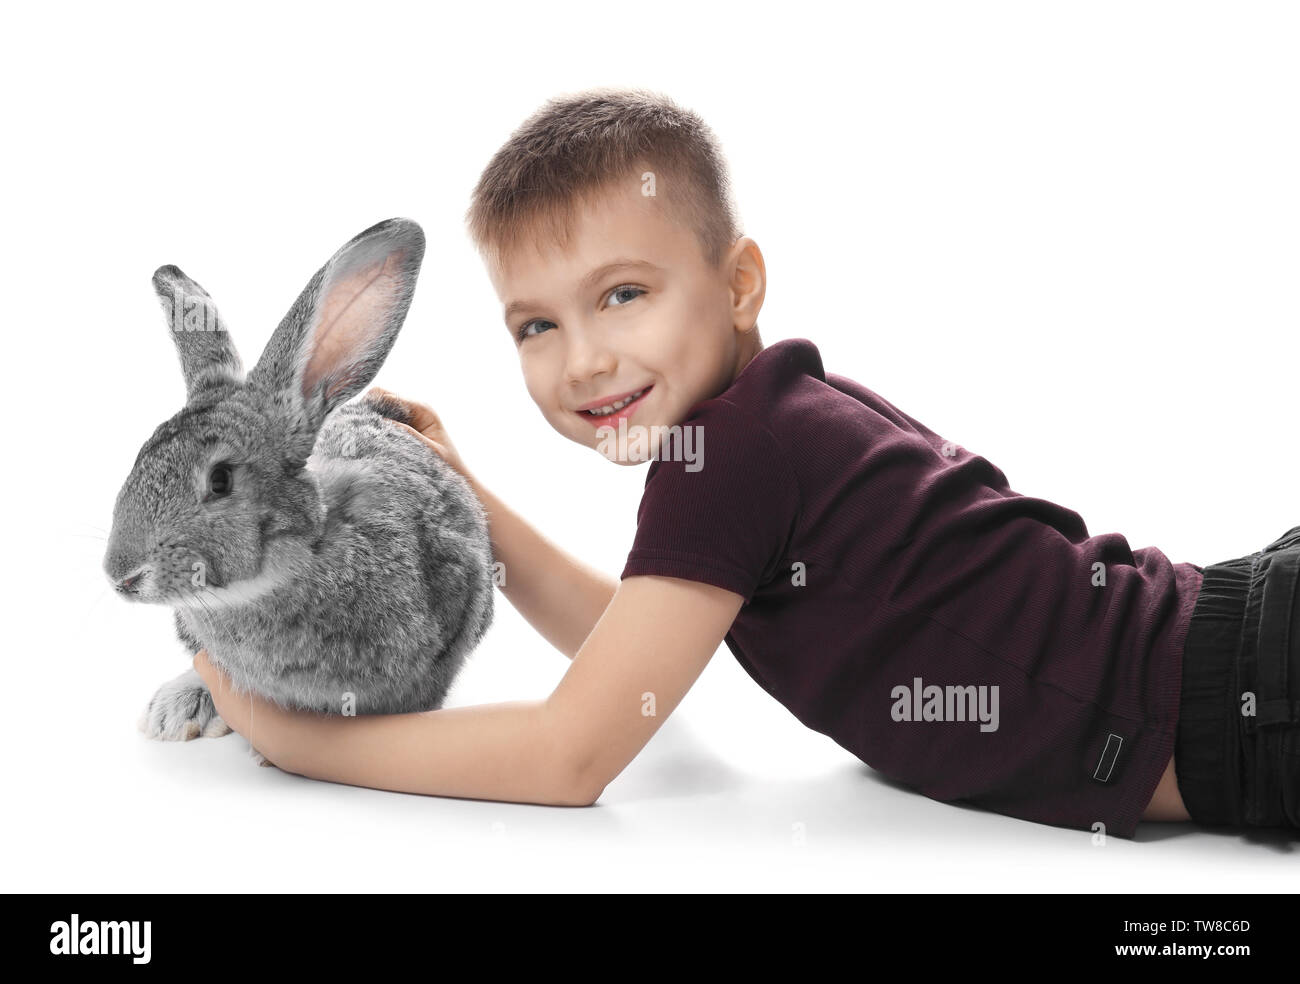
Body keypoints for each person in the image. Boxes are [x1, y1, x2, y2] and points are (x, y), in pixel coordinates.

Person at [194, 86, 1299, 838]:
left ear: (737, 285)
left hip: (1248, 688)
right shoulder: (765, 422)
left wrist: (292, 737)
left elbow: (569, 756)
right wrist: (472, 502)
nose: (583, 359)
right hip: (1236, 648)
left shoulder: (733, 456)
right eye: (534, 326)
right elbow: (634, 660)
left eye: (622, 294)